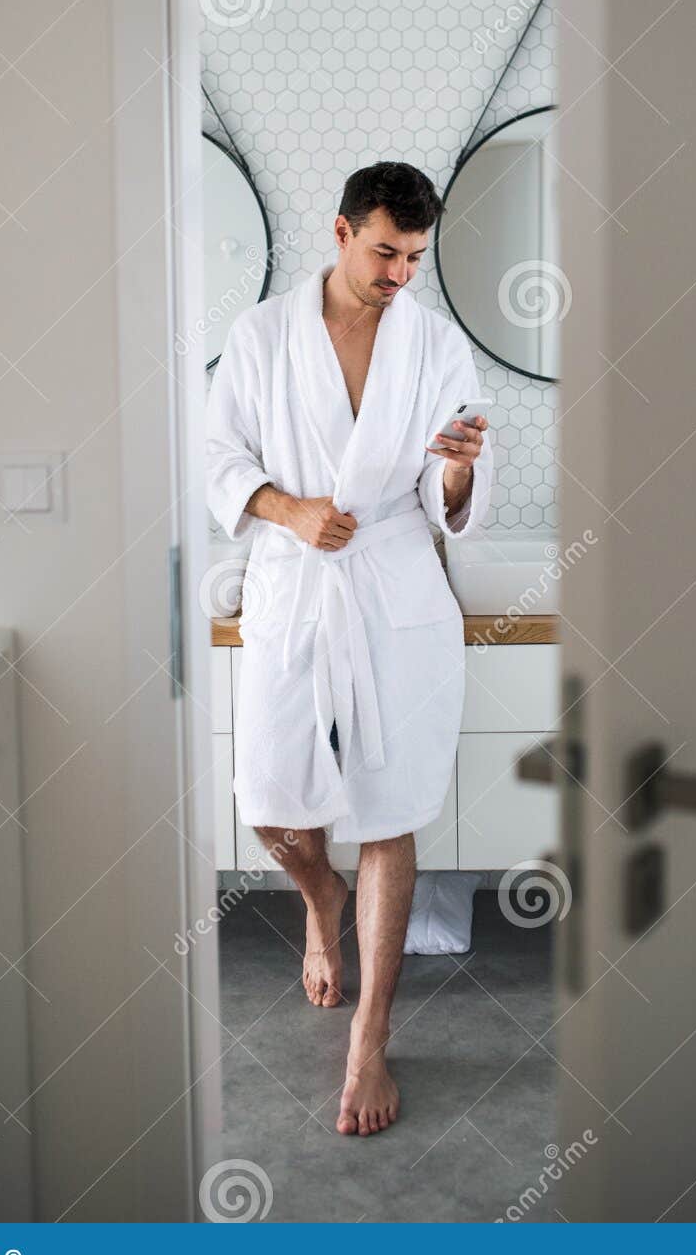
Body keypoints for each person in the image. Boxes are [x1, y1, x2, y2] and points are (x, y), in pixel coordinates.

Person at [204, 160, 493, 1137]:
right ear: (338, 232)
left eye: (414, 256)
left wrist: (456, 477)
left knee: (389, 810)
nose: (399, 273)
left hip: (394, 593)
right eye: (383, 251)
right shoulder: (258, 336)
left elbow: (445, 503)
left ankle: (369, 1039)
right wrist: (288, 510)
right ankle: (317, 898)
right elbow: (218, 457)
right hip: (294, 585)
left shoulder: (436, 346)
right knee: (270, 803)